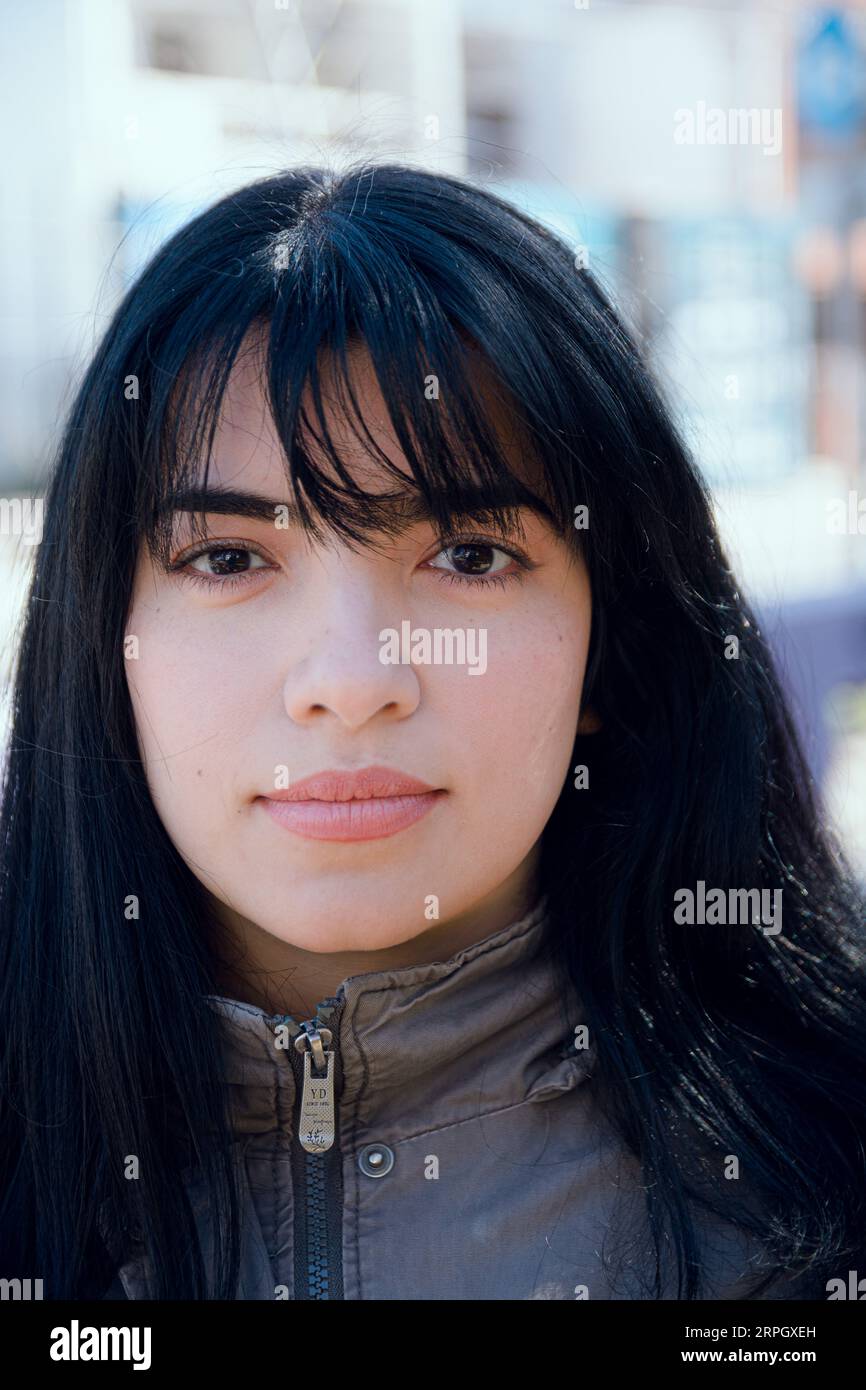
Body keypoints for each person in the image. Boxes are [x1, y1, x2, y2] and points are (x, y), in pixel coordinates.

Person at [1, 161, 864, 1301]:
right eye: (227, 558)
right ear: (108, 643)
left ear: (612, 639)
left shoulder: (816, 1207)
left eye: (468, 555)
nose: (352, 684)